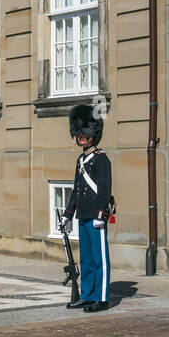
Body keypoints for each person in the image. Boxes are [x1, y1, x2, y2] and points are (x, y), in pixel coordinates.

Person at [60, 104, 112, 313]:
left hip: (96, 216)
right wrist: (67, 214)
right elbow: (76, 190)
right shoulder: (81, 160)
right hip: (83, 215)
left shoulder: (101, 159)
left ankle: (101, 297)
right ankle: (87, 295)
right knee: (87, 259)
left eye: (84, 133)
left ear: (93, 134)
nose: (80, 137)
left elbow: (105, 188)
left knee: (100, 259)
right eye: (78, 133)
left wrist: (102, 213)